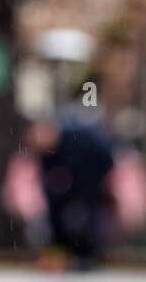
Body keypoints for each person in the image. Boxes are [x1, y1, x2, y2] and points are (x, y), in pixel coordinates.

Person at [23, 114, 116, 271]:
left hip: (90, 184)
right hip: (68, 187)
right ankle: (62, 254)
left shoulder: (78, 140)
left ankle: (85, 257)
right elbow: (48, 182)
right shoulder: (47, 152)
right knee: (58, 214)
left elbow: (102, 162)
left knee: (82, 217)